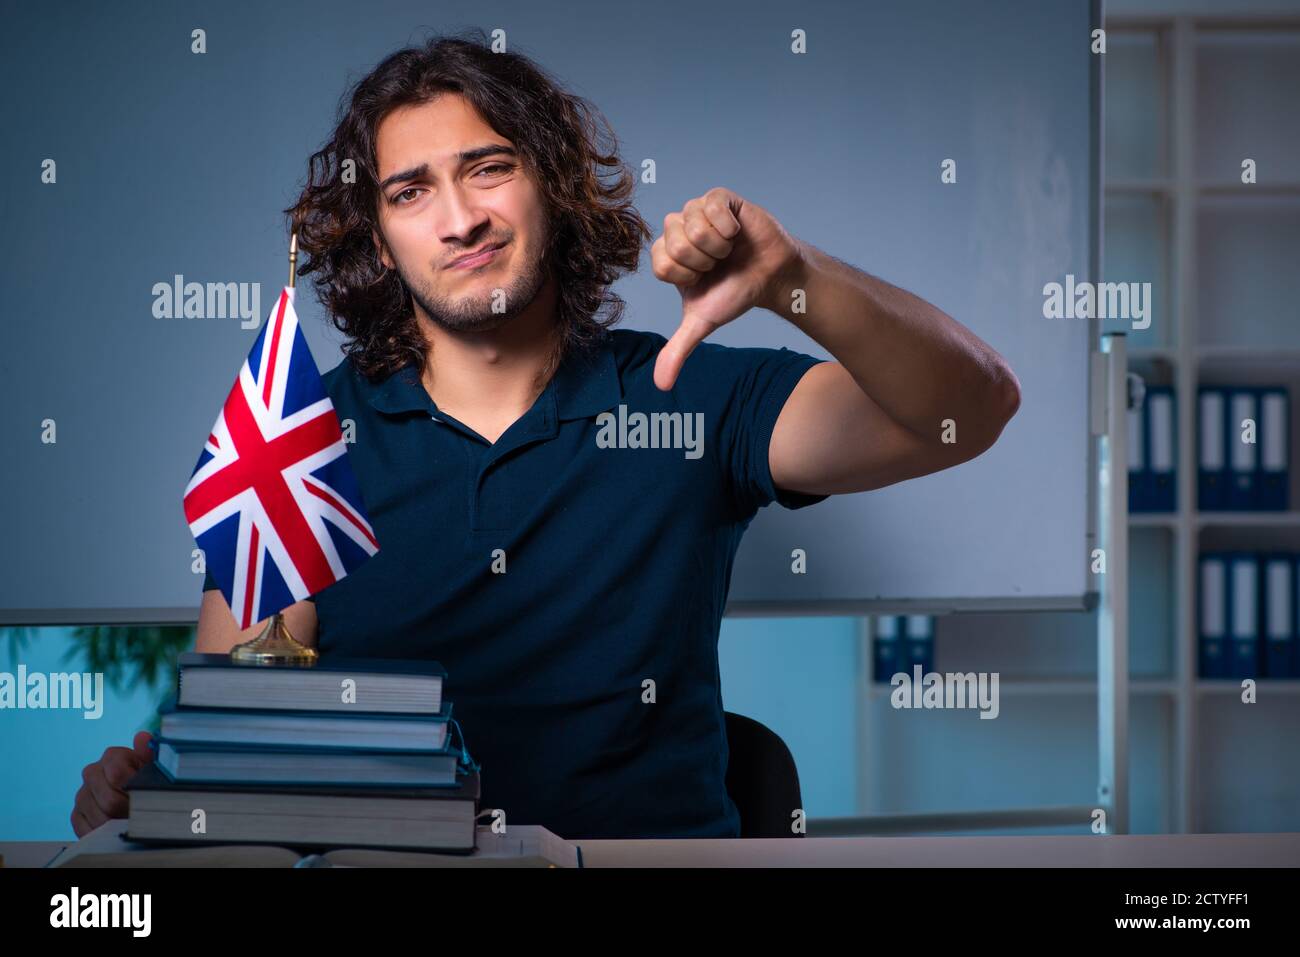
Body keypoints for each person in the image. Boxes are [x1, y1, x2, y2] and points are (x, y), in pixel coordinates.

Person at [72, 31, 1020, 840]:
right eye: (410, 192)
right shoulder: (298, 440)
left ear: (552, 184)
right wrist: (156, 793)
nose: (460, 218)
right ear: (379, 234)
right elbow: (240, 738)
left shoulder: (690, 392)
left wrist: (793, 278)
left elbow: (969, 411)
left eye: (489, 167)